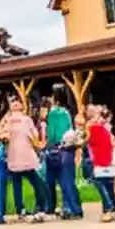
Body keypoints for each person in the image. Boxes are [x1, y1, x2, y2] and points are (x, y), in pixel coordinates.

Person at [1, 95, 48, 220]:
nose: (15, 104)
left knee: (20, 182)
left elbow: (2, 134)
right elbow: (34, 135)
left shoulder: (9, 120)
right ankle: (40, 205)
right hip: (24, 154)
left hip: (16, 155)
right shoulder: (23, 120)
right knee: (33, 180)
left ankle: (21, 208)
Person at [44, 85, 83, 220]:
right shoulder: (69, 111)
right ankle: (72, 207)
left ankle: (50, 207)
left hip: (56, 148)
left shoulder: (54, 113)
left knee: (51, 180)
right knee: (67, 180)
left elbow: (52, 133)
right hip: (68, 148)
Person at [87, 106, 115, 222]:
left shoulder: (93, 128)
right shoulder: (104, 127)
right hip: (108, 157)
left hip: (99, 159)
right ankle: (114, 209)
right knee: (109, 184)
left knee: (101, 184)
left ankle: (108, 209)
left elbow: (86, 140)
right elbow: (113, 141)